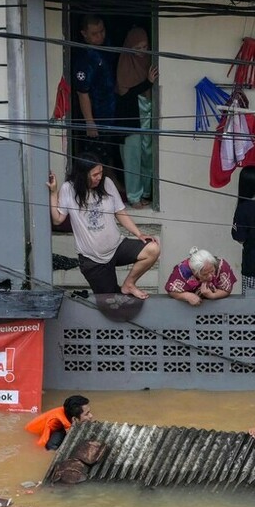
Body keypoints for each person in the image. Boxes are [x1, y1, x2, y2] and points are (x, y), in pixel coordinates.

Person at [48, 152, 161, 298]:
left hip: (117, 247)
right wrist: (53, 193)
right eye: (95, 175)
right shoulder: (68, 188)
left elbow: (120, 212)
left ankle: (129, 284)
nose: (99, 177)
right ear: (82, 175)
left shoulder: (107, 183)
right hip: (93, 259)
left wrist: (139, 234)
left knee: (153, 249)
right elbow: (57, 220)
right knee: (111, 302)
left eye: (101, 172)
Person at [116, 26, 157, 208]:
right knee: (132, 157)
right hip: (131, 118)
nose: (141, 51)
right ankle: (134, 197)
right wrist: (147, 83)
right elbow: (125, 93)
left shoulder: (150, 61)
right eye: (137, 48)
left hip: (147, 115)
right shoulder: (125, 62)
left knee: (148, 154)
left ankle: (146, 192)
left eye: (145, 47)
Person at [72, 15, 118, 160]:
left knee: (110, 157)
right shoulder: (84, 59)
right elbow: (82, 92)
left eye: (102, 31)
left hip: (112, 115)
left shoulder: (106, 46)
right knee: (97, 160)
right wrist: (90, 122)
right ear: (84, 34)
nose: (100, 36)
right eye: (94, 34)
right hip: (97, 119)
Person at [165, 247, 236, 305]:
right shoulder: (182, 271)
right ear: (194, 272)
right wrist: (187, 296)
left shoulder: (221, 266)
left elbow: (226, 289)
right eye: (204, 274)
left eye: (212, 271)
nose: (210, 276)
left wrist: (213, 295)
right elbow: (171, 290)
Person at [26, 395, 94, 450]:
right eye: (87, 414)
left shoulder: (70, 411)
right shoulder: (57, 423)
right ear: (74, 419)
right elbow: (43, 444)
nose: (91, 416)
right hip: (32, 432)